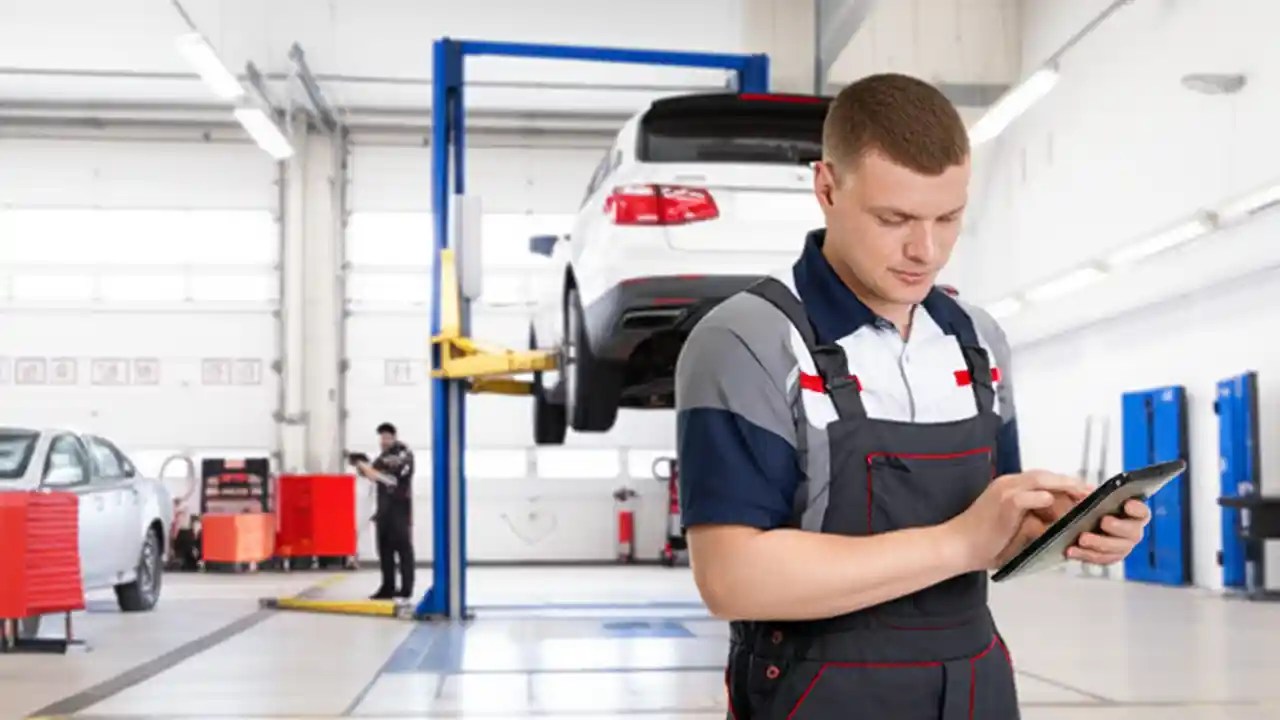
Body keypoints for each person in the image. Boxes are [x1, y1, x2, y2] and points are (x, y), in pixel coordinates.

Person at [673, 73, 1152, 719]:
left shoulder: (978, 340)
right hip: (819, 695)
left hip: (975, 686)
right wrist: (960, 543)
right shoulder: (747, 340)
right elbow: (733, 579)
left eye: (948, 218)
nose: (925, 250)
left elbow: (995, 533)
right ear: (826, 188)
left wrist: (1062, 530)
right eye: (893, 218)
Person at [352, 422, 415, 599]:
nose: (384, 441)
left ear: (394, 437)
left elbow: (390, 480)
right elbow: (372, 475)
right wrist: (361, 465)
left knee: (403, 549)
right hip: (384, 511)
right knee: (385, 550)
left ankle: (406, 588)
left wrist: (366, 468)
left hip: (399, 510)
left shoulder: (404, 454)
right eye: (382, 438)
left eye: (387, 437)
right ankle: (387, 587)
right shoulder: (383, 456)